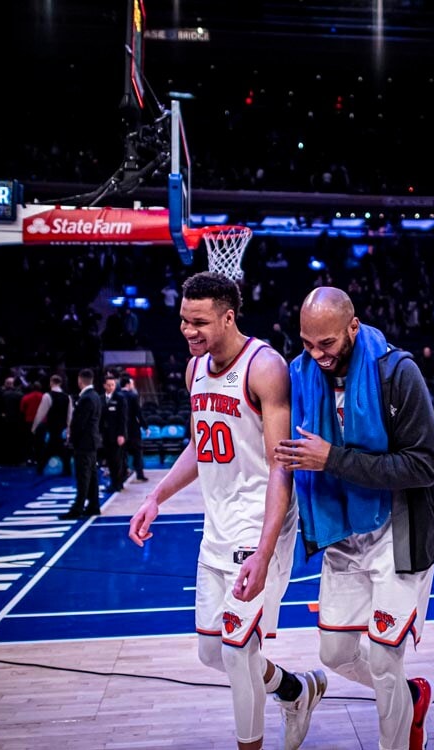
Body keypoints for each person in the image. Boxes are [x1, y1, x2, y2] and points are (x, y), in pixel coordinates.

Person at [128, 271, 326, 750]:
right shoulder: (196, 370)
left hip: (259, 527)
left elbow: (283, 466)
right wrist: (157, 497)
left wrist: (265, 550)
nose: (188, 331)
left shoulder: (265, 367)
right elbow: (201, 444)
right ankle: (296, 690)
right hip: (216, 527)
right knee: (211, 653)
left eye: (198, 321)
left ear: (228, 316)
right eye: (183, 321)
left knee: (238, 652)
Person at [276, 286, 434, 750]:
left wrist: (333, 459)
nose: (316, 354)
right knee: (335, 654)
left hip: (399, 530)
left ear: (352, 326)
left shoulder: (398, 372)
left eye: (326, 343)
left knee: (386, 657)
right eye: (307, 343)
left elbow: (423, 466)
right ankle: (410, 696)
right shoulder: (301, 373)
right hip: (343, 532)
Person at [60, 368, 104, 519]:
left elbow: (79, 423)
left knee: (83, 477)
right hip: (91, 442)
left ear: (80, 380)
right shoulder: (96, 396)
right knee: (91, 476)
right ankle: (93, 505)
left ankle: (78, 508)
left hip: (84, 443)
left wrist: (72, 440)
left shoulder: (86, 398)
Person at [32, 373, 73, 476]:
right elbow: (70, 415)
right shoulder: (67, 397)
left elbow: (40, 413)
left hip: (51, 428)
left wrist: (34, 427)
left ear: (51, 382)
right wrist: (69, 429)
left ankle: (40, 469)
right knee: (62, 450)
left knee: (48, 449)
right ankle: (67, 470)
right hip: (62, 429)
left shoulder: (48, 396)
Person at [100, 372, 129, 492]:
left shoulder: (120, 398)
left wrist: (121, 434)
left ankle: (118, 483)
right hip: (105, 435)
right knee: (110, 460)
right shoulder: (101, 398)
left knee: (117, 460)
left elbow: (123, 418)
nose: (111, 387)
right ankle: (114, 482)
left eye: (113, 384)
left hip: (117, 435)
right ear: (104, 385)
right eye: (109, 385)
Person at [118, 372, 148, 482]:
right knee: (137, 452)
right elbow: (138, 413)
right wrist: (145, 426)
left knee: (122, 453)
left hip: (121, 429)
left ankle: (123, 474)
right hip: (133, 429)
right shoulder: (132, 396)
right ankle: (139, 474)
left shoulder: (117, 396)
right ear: (128, 384)